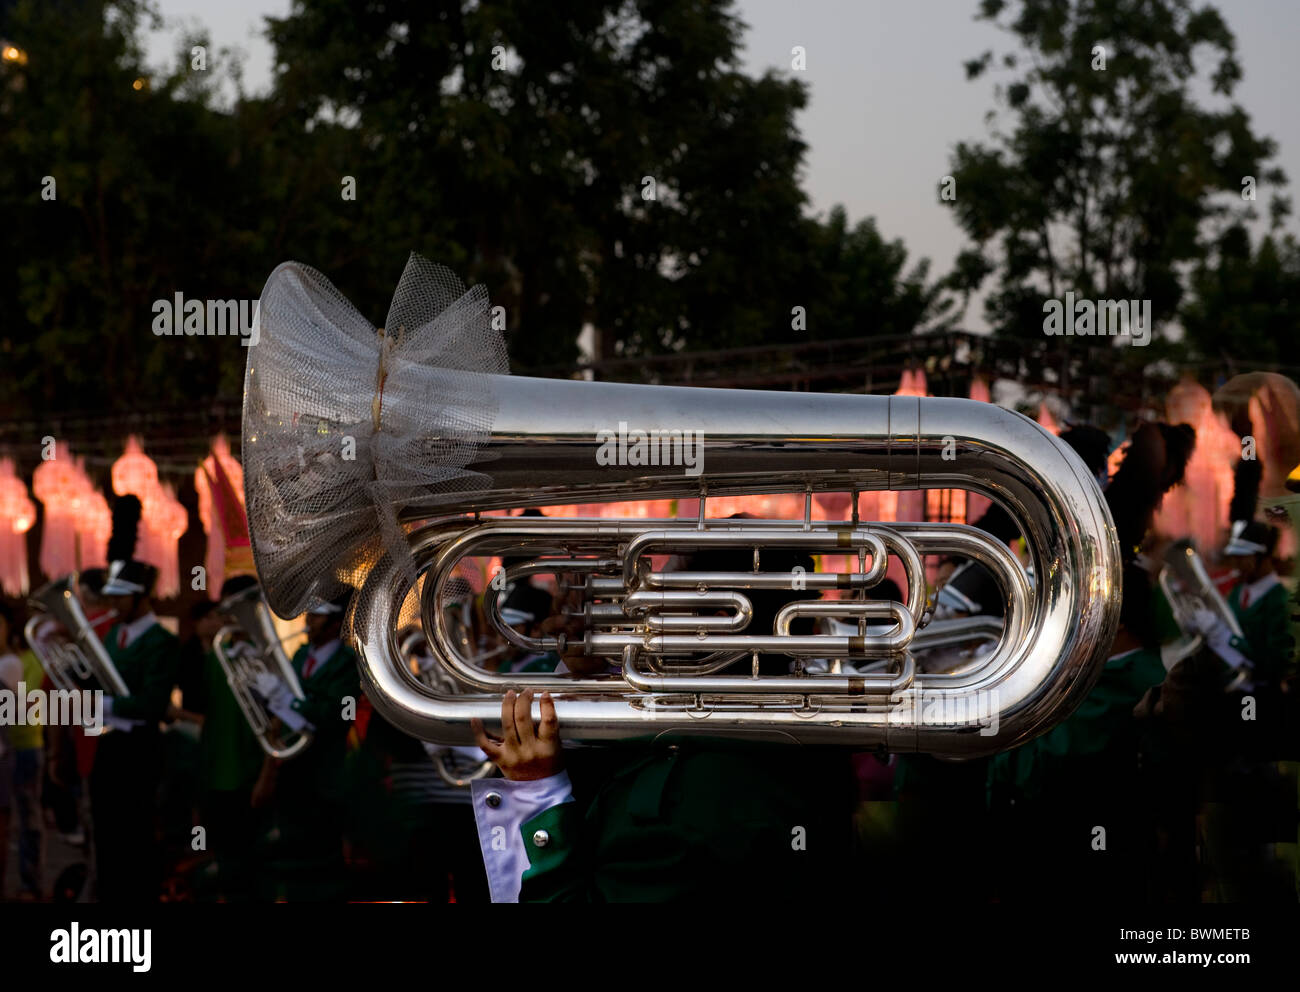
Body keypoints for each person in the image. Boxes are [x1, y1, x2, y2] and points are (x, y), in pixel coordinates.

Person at [254, 594, 359, 901]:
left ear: (335, 623)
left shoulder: (347, 662)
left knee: (321, 858)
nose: (307, 622)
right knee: (292, 854)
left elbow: (336, 716)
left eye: (315, 617)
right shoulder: (300, 654)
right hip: (293, 771)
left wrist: (289, 701)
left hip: (325, 773)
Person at [92, 555, 181, 902]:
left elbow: (154, 702)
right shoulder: (114, 634)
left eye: (120, 596)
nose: (113, 603)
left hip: (140, 749)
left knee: (135, 834)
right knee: (106, 832)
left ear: (142, 597)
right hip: (110, 744)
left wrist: (105, 705)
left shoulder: (161, 640)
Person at [0, 601, 46, 900]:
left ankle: (32, 883)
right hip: (12, 746)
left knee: (25, 819)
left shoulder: (17, 662)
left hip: (23, 746)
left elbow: (22, 707)